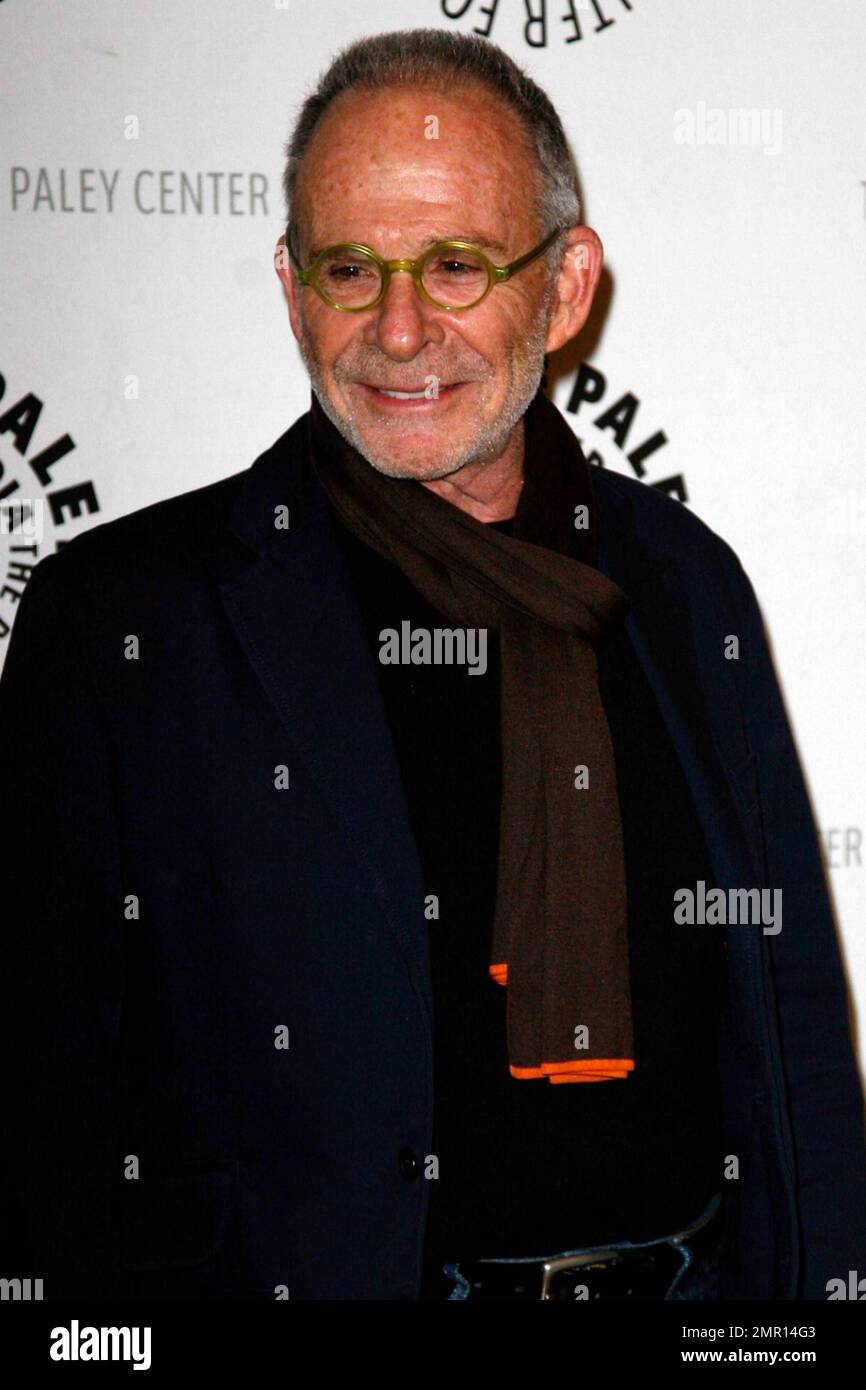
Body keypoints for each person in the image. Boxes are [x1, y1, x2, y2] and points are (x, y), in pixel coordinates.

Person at [1, 28, 864, 1303]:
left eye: (456, 266)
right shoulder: (126, 620)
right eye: (351, 268)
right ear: (292, 290)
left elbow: (790, 1039)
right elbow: (38, 1100)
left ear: (564, 287)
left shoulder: (681, 581)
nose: (399, 331)